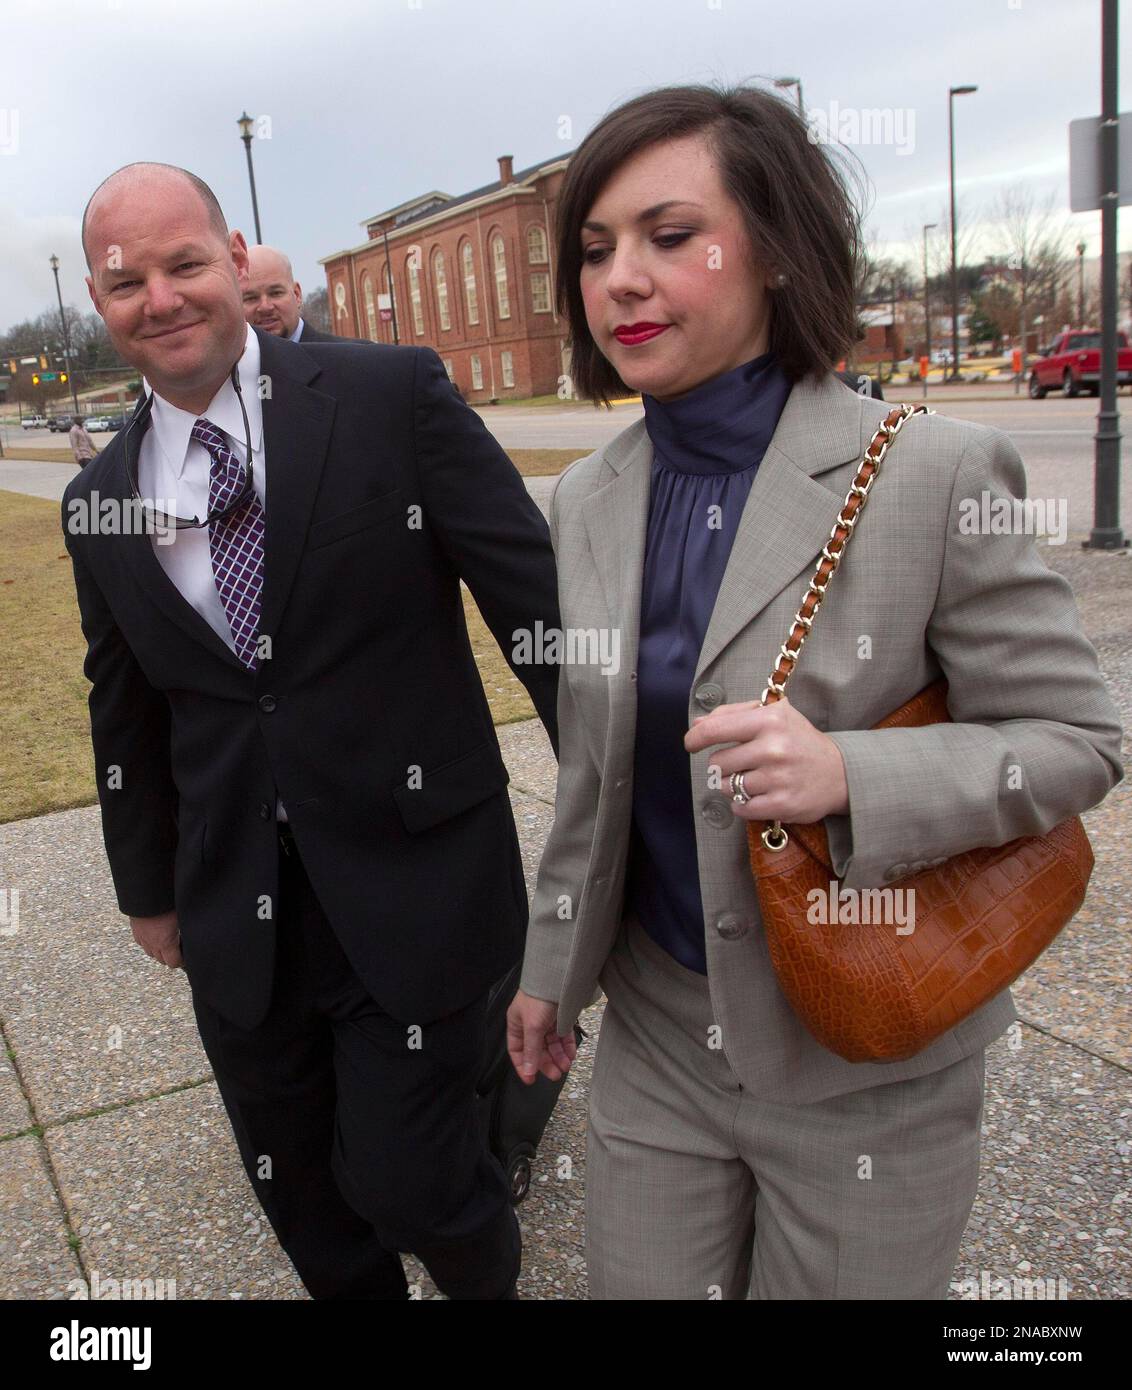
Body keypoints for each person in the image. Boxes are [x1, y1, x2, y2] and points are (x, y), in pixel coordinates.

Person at [507, 84, 1124, 1300]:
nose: (620, 277)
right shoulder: (586, 498)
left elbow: (1078, 740)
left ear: (776, 251)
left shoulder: (932, 471)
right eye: (594, 249)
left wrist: (851, 774)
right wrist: (549, 968)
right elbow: (598, 775)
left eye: (668, 236)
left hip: (867, 1051)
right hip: (658, 1041)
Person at [63, 162, 561, 1301]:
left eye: (185, 263)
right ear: (102, 304)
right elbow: (123, 706)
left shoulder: (389, 398)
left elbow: (538, 614)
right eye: (126, 281)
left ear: (235, 261)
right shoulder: (100, 500)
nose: (162, 297)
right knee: (305, 1196)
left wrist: (610, 830)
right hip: (239, 911)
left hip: (417, 879)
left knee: (414, 1181)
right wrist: (147, 886)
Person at [242, 244, 336, 342]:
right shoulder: (231, 357)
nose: (265, 307)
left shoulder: (346, 356)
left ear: (297, 295)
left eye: (275, 293)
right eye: (251, 298)